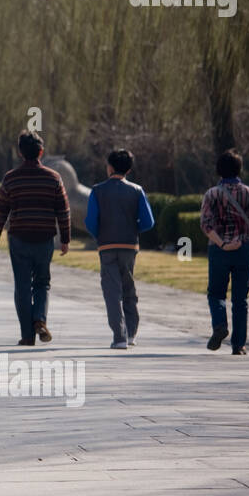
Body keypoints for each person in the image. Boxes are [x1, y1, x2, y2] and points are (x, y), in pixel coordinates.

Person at [0, 130, 70, 346]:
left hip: (19, 238)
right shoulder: (54, 178)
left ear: (20, 153)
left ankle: (27, 335)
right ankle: (40, 320)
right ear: (41, 152)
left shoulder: (10, 178)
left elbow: (0, 213)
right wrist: (66, 238)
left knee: (23, 286)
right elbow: (63, 210)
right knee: (42, 283)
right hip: (45, 238)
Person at [199, 149, 249, 355]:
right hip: (245, 249)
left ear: (219, 170)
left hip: (220, 250)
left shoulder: (212, 194)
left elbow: (205, 225)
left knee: (216, 293)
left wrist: (222, 243)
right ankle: (238, 345)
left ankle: (220, 324)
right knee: (241, 299)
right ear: (240, 169)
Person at [84, 148, 156, 349]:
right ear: (129, 169)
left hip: (107, 246)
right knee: (128, 289)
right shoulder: (137, 190)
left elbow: (90, 222)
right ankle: (131, 332)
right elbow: (148, 221)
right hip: (129, 245)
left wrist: (100, 234)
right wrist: (133, 229)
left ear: (110, 167)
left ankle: (119, 336)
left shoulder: (98, 190)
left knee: (112, 291)